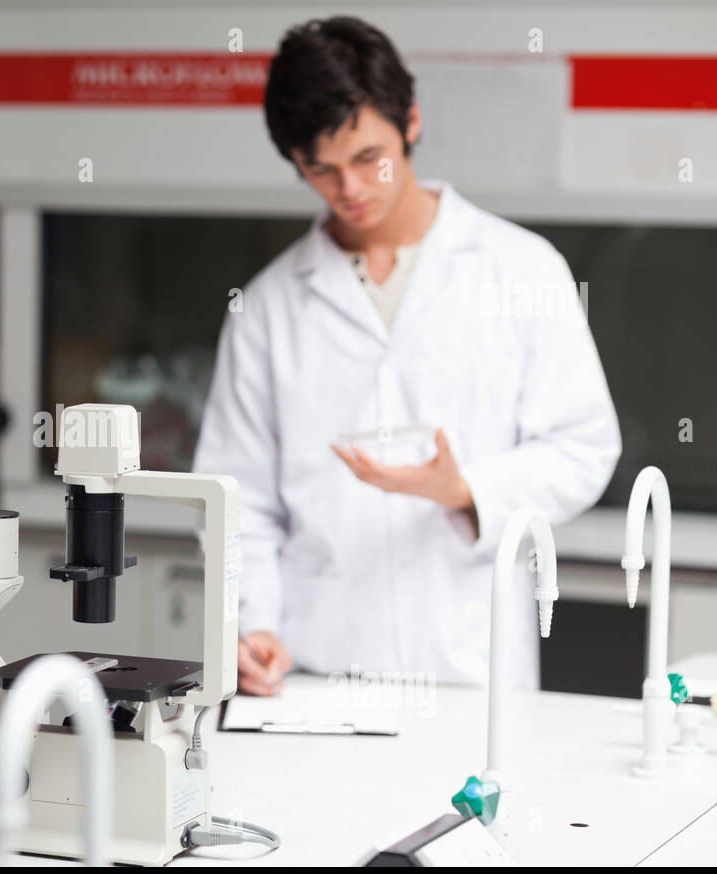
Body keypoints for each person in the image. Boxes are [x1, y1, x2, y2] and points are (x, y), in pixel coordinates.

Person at [193, 18, 621, 697]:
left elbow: (584, 447)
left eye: (370, 158)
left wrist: (464, 489)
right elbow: (235, 498)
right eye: (321, 169)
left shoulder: (522, 269)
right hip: (314, 670)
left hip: (470, 670)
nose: (350, 188)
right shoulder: (268, 306)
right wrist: (253, 623)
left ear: (411, 121)